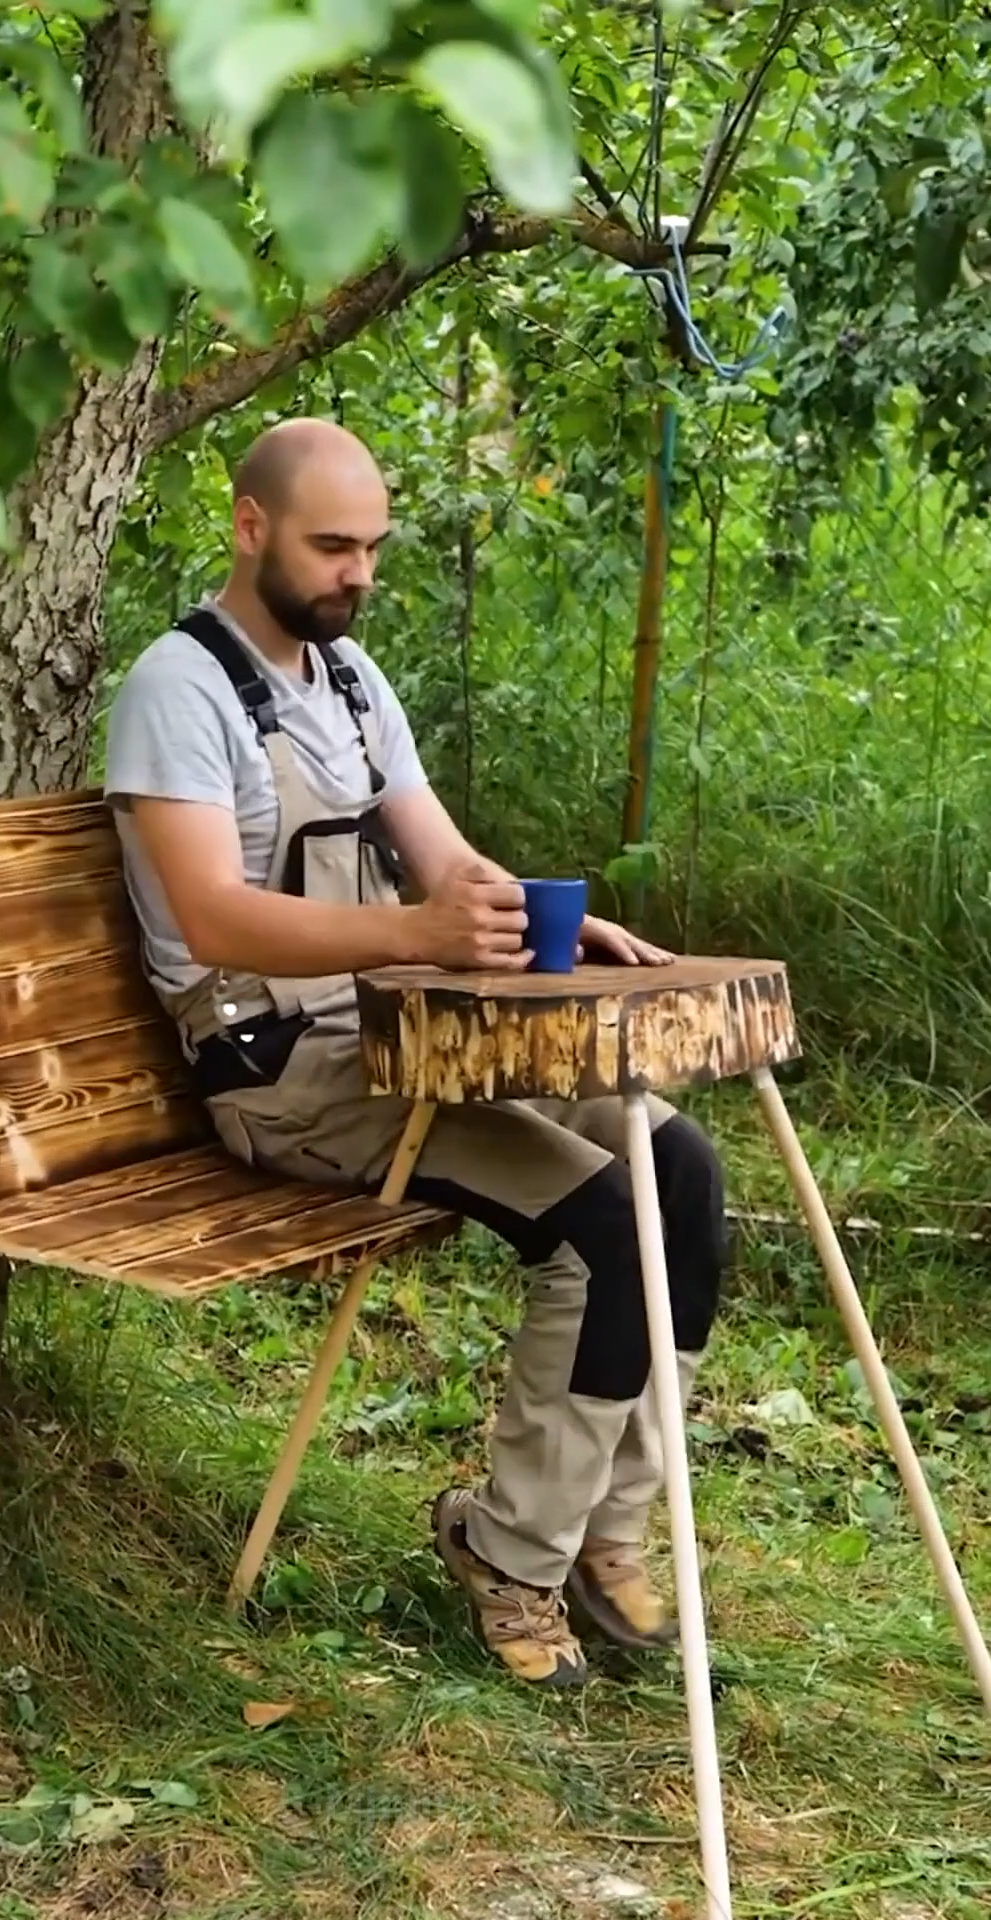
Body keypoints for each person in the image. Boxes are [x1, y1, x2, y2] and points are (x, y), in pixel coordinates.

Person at [104, 417, 726, 1690]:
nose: (358, 574)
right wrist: (414, 929)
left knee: (684, 1174)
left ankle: (603, 1531)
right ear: (248, 525)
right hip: (282, 1075)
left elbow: (446, 865)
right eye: (334, 547)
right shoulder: (178, 690)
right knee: (602, 1223)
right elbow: (215, 913)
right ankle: (509, 1555)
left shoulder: (348, 679)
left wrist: (541, 925)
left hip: (402, 1046)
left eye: (372, 550)